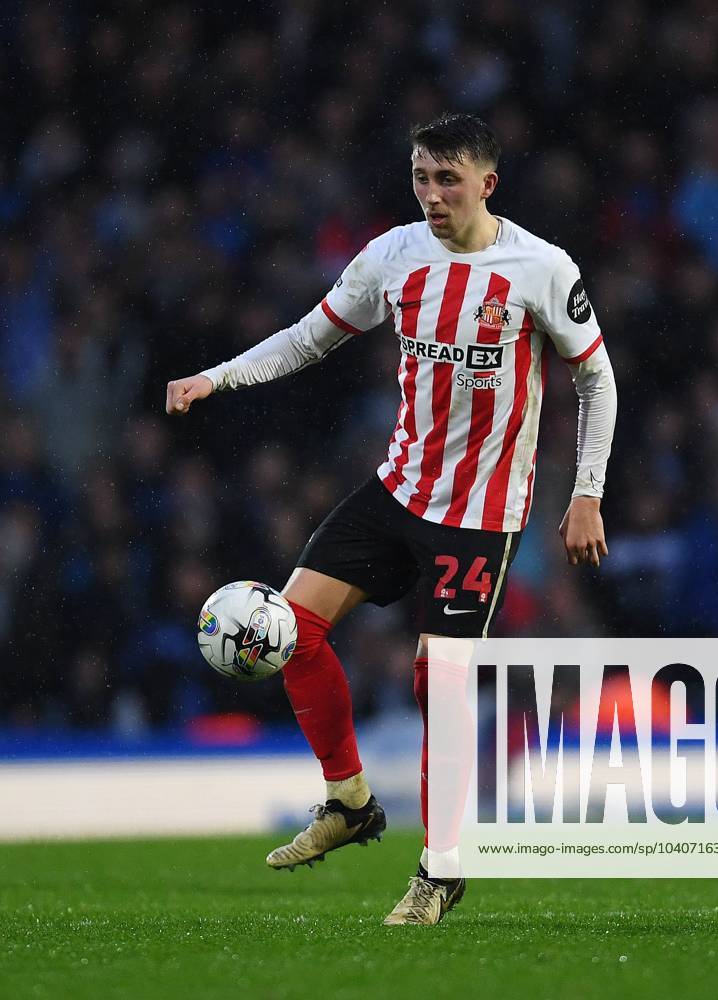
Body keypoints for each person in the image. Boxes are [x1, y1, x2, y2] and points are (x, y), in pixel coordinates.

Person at [165, 113, 617, 925]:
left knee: (438, 681)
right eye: (420, 178)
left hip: (479, 515)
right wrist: (218, 377)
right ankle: (349, 800)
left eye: (448, 180)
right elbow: (309, 339)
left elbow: (597, 379)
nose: (432, 195)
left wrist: (587, 491)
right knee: (291, 628)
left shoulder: (542, 269)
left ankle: (441, 870)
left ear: (487, 183)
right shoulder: (392, 256)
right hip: (398, 489)